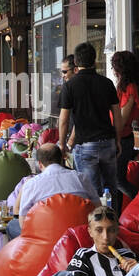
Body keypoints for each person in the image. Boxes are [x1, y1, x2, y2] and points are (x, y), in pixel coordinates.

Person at [58, 42, 125, 201]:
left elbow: (64, 120)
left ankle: (96, 218)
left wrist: (62, 144)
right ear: (95, 61)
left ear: (76, 63)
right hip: (107, 142)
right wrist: (118, 140)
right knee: (111, 189)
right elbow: (117, 116)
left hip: (85, 146)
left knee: (91, 193)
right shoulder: (107, 83)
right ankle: (112, 216)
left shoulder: (70, 86)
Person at [7, 143, 97, 237]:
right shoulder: (82, 178)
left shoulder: (31, 184)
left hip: (45, 238)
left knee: (11, 225)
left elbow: (23, 224)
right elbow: (97, 208)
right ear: (61, 160)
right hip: (80, 236)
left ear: (40, 164)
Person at [110, 49, 139, 164]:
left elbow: (122, 119)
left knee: (118, 174)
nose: (113, 70)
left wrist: (116, 140)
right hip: (120, 137)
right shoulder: (123, 87)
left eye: (114, 67)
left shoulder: (129, 88)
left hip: (122, 138)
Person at [51, 55, 76, 134]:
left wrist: (66, 140)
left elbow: (64, 120)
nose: (62, 76)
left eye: (64, 72)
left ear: (75, 70)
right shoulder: (66, 87)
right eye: (61, 72)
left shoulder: (68, 87)